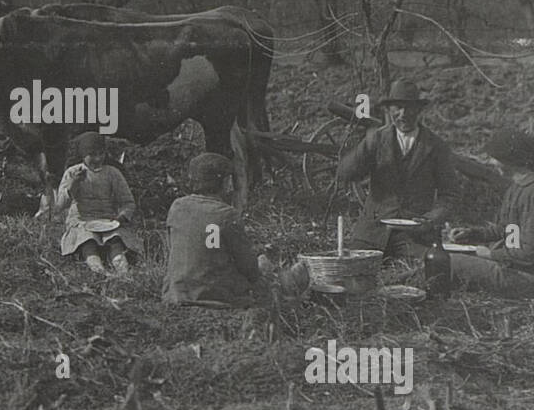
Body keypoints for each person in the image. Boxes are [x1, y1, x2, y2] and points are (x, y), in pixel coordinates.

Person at [335, 79, 460, 259]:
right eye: (397, 108)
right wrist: (364, 148)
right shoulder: (377, 140)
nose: (403, 114)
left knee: (431, 266)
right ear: (389, 110)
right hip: (372, 233)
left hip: (414, 236)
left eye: (409, 108)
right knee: (352, 270)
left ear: (419, 110)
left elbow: (450, 195)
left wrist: (430, 219)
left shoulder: (436, 146)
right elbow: (344, 173)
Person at [446, 128, 534, 299]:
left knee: (447, 262)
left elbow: (531, 253)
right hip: (521, 268)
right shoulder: (519, 186)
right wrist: (473, 233)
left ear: (508, 160)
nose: (490, 162)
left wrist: (490, 254)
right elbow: (509, 230)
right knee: (448, 257)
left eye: (494, 158)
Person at [163, 153, 308, 306]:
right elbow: (249, 269)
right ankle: (289, 289)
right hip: (213, 294)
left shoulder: (177, 207)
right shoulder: (226, 214)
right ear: (226, 183)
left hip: (176, 293)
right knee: (263, 264)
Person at [56, 132, 142, 275]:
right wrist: (73, 185)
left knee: (116, 241)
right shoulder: (72, 173)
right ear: (82, 155)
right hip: (81, 220)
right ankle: (99, 272)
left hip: (108, 220)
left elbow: (128, 202)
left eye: (101, 154)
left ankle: (123, 273)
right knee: (87, 242)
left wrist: (121, 217)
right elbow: (60, 205)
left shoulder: (112, 173)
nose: (97, 159)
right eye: (92, 155)